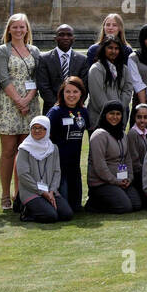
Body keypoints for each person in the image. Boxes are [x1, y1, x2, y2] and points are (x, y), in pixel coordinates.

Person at [0, 13, 42, 212]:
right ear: (9, 30)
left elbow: (38, 77)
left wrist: (27, 100)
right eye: (15, 27)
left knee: (25, 151)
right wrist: (18, 101)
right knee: (8, 151)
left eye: (22, 27)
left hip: (30, 106)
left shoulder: (34, 51)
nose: (19, 31)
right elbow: (3, 79)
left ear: (27, 29)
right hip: (8, 104)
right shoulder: (3, 51)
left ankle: (20, 193)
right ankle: (5, 194)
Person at [85, 100, 142, 213]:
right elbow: (100, 166)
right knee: (125, 207)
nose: (114, 117)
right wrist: (115, 181)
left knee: (136, 205)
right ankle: (93, 203)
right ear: (105, 114)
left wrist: (129, 178)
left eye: (118, 114)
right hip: (102, 183)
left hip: (121, 181)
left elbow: (127, 159)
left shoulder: (122, 135)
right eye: (111, 113)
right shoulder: (99, 135)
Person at [15, 116, 74, 223]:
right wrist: (42, 192)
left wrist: (51, 191)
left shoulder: (53, 148)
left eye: (42, 128)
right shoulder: (24, 148)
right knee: (50, 216)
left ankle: (43, 206)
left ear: (48, 130)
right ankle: (26, 212)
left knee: (66, 214)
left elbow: (57, 172)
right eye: (34, 128)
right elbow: (23, 175)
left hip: (50, 191)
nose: (37, 130)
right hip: (31, 191)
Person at [47, 76, 89, 212]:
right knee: (64, 208)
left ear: (81, 93)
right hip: (58, 166)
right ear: (62, 93)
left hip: (74, 165)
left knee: (76, 207)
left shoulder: (83, 112)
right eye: (68, 92)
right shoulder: (55, 112)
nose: (71, 95)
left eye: (75, 92)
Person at [34, 24, 90, 115]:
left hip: (75, 109)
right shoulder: (44, 58)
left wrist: (73, 104)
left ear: (73, 38)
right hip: (52, 109)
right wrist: (59, 106)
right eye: (61, 35)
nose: (65, 37)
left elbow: (84, 86)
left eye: (69, 35)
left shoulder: (82, 59)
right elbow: (44, 87)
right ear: (55, 38)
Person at [87, 37, 132, 130]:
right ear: (104, 49)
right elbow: (97, 96)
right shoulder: (96, 69)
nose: (113, 51)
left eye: (116, 48)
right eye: (110, 48)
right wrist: (111, 115)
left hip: (119, 120)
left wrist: (118, 112)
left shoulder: (124, 69)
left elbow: (127, 90)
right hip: (99, 120)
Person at [124, 103, 147, 202]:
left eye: (145, 117)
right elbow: (134, 162)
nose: (142, 120)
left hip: (145, 173)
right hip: (138, 176)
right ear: (134, 117)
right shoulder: (133, 134)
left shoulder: (145, 133)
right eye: (139, 117)